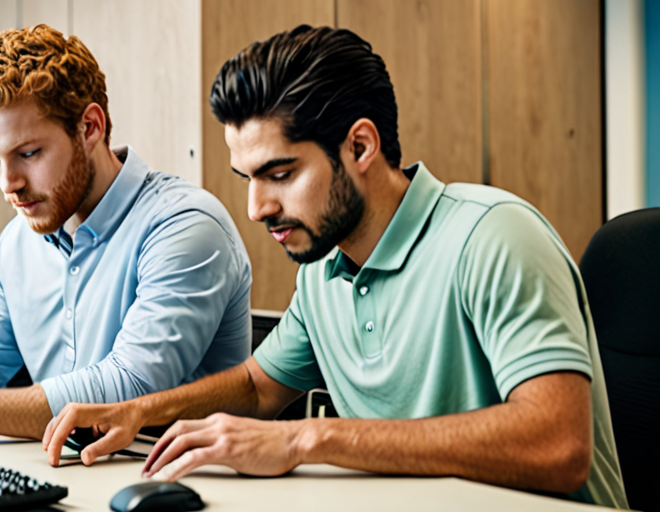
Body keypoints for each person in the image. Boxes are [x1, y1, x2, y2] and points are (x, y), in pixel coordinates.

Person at [41, 25, 627, 508]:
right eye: (248, 180)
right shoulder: (323, 271)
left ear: (361, 147)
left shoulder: (492, 235)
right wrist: (141, 410)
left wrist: (306, 438)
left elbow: (558, 444)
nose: (256, 208)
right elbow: (257, 386)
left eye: (280, 174)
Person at [0, 24, 252, 448]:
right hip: (75, 476)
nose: (9, 183)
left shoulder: (185, 226)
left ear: (90, 127)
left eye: (28, 154)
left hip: (179, 485)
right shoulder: (17, 244)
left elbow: (130, 385)